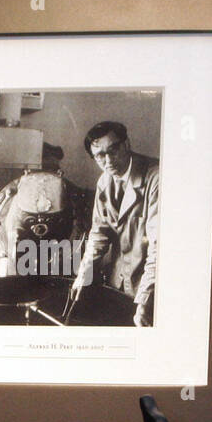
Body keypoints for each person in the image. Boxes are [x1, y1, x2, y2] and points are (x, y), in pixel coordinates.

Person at [74, 120, 158, 327]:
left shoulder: (156, 178)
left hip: (151, 287)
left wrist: (145, 299)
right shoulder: (104, 182)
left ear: (126, 144)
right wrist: (82, 276)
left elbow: (160, 248)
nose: (108, 160)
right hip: (119, 284)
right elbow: (99, 235)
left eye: (113, 150)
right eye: (100, 156)